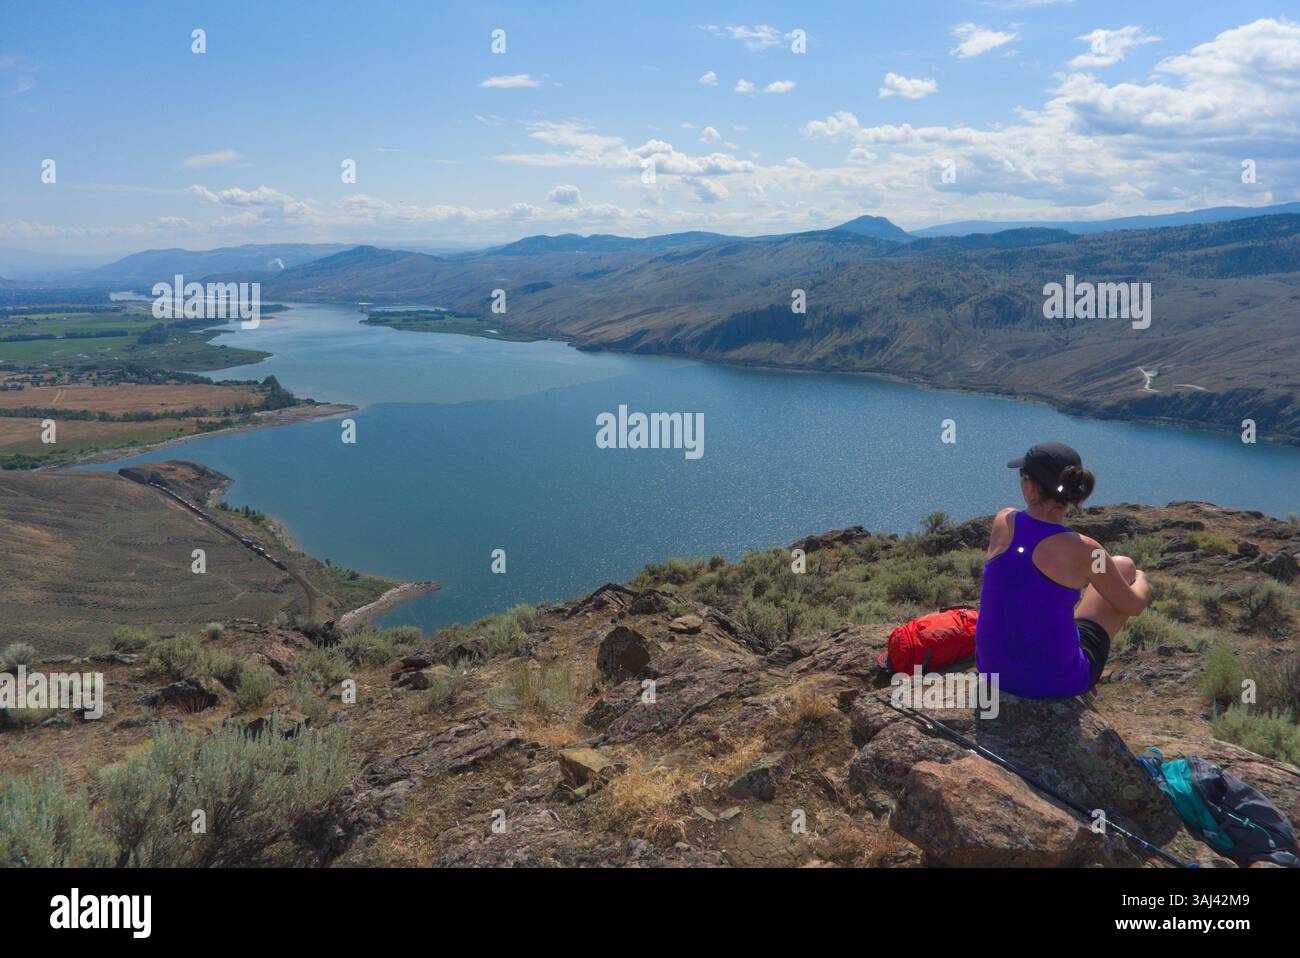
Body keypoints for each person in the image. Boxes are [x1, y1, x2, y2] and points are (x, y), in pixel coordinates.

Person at [976, 441, 1151, 699]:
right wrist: (1144, 580)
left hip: (992, 672)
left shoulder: (1004, 520)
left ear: (1031, 486)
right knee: (1125, 566)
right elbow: (1133, 606)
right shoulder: (1086, 551)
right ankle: (1075, 672)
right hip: (1057, 683)